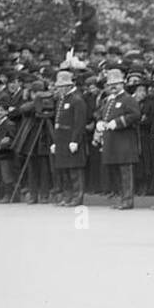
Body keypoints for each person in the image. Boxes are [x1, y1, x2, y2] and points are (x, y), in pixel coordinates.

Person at [96, 68, 140, 209]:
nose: (113, 86)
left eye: (116, 83)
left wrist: (119, 122)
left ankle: (127, 200)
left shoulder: (128, 99)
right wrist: (101, 122)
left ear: (122, 84)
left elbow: (135, 115)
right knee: (116, 172)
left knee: (126, 173)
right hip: (112, 141)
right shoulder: (109, 100)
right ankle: (121, 199)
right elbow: (102, 115)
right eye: (110, 84)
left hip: (124, 141)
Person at [50, 69, 89, 208]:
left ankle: (77, 197)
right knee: (64, 171)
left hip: (71, 138)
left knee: (74, 171)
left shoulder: (76, 100)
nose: (59, 89)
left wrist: (75, 140)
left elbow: (79, 123)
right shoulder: (62, 100)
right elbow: (57, 122)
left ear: (68, 86)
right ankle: (67, 196)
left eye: (61, 86)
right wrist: (55, 141)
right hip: (61, 139)